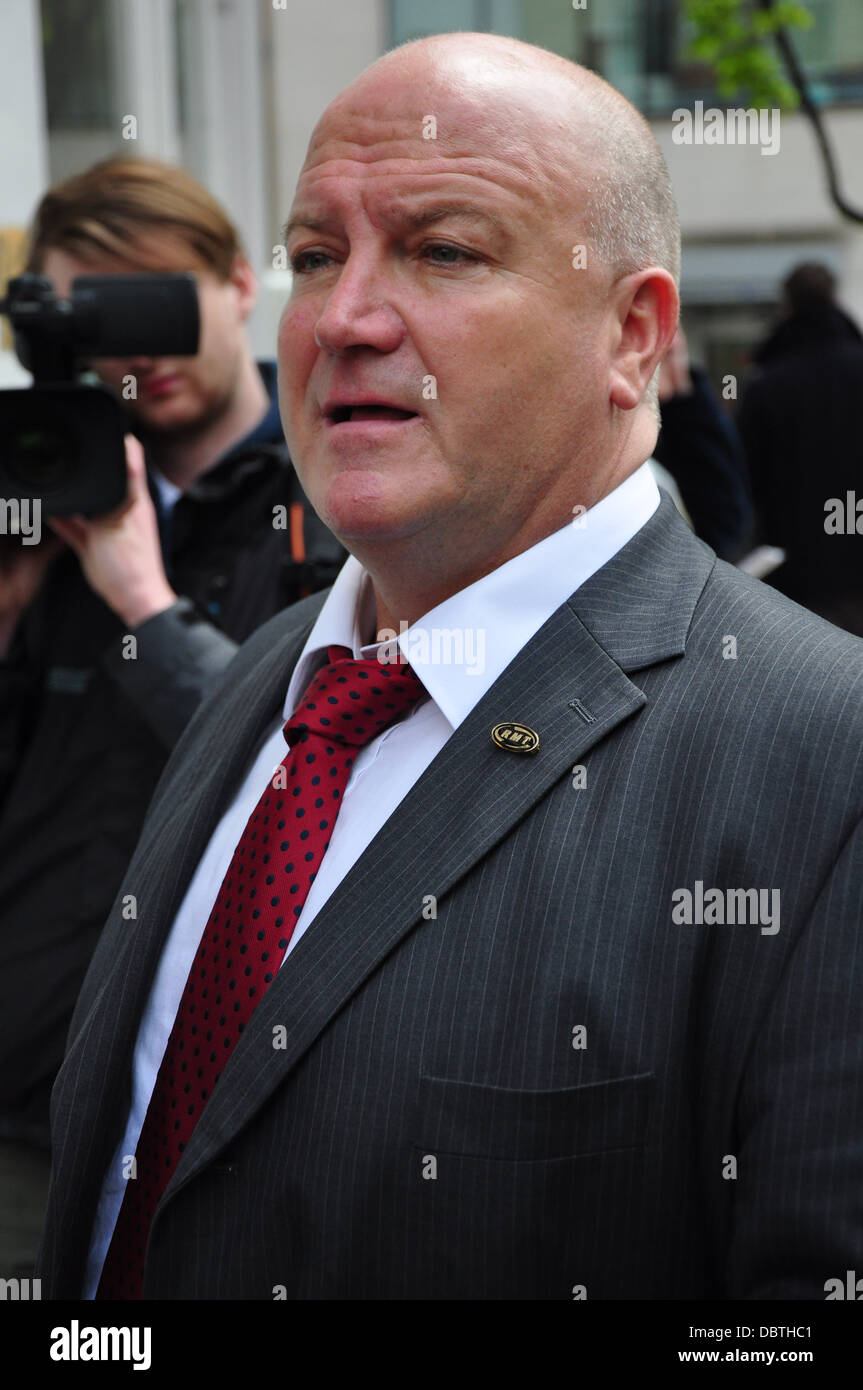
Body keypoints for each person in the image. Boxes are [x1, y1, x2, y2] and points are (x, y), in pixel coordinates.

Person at [38, 35, 863, 1301]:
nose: (345, 319)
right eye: (315, 257)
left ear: (632, 336)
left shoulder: (824, 758)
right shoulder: (267, 683)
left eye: (443, 251)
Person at [0, 157, 344, 1274]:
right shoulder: (36, 495)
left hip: (226, 1119)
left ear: (242, 281)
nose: (132, 348)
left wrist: (140, 603)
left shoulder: (338, 500)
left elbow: (309, 764)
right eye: (91, 314)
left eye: (154, 297)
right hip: (24, 1093)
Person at [737, 261, 863, 634]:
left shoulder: (767, 383)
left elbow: (747, 478)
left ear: (787, 306)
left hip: (798, 575)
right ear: (834, 298)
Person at [653, 325, 753, 561]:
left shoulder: (689, 411)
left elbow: (728, 519)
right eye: (667, 354)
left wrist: (686, 395)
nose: (677, 367)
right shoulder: (645, 433)